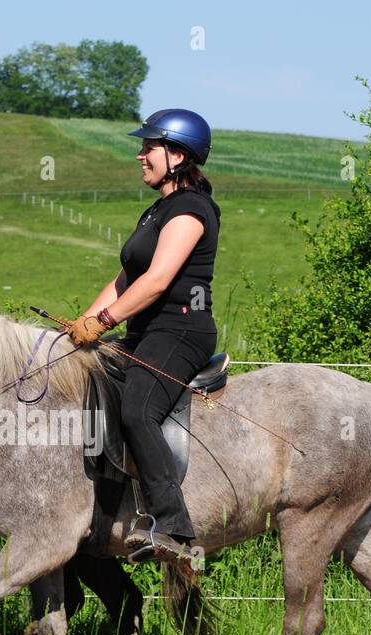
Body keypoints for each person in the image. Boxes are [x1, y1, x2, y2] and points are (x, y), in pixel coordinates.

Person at [66, 109, 220, 567]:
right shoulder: (156, 210)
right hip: (143, 329)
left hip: (180, 329)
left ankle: (173, 526)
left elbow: (155, 282)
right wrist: (80, 324)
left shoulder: (192, 209)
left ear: (178, 154)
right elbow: (124, 279)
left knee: (137, 408)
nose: (140, 156)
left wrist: (105, 321)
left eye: (148, 147)